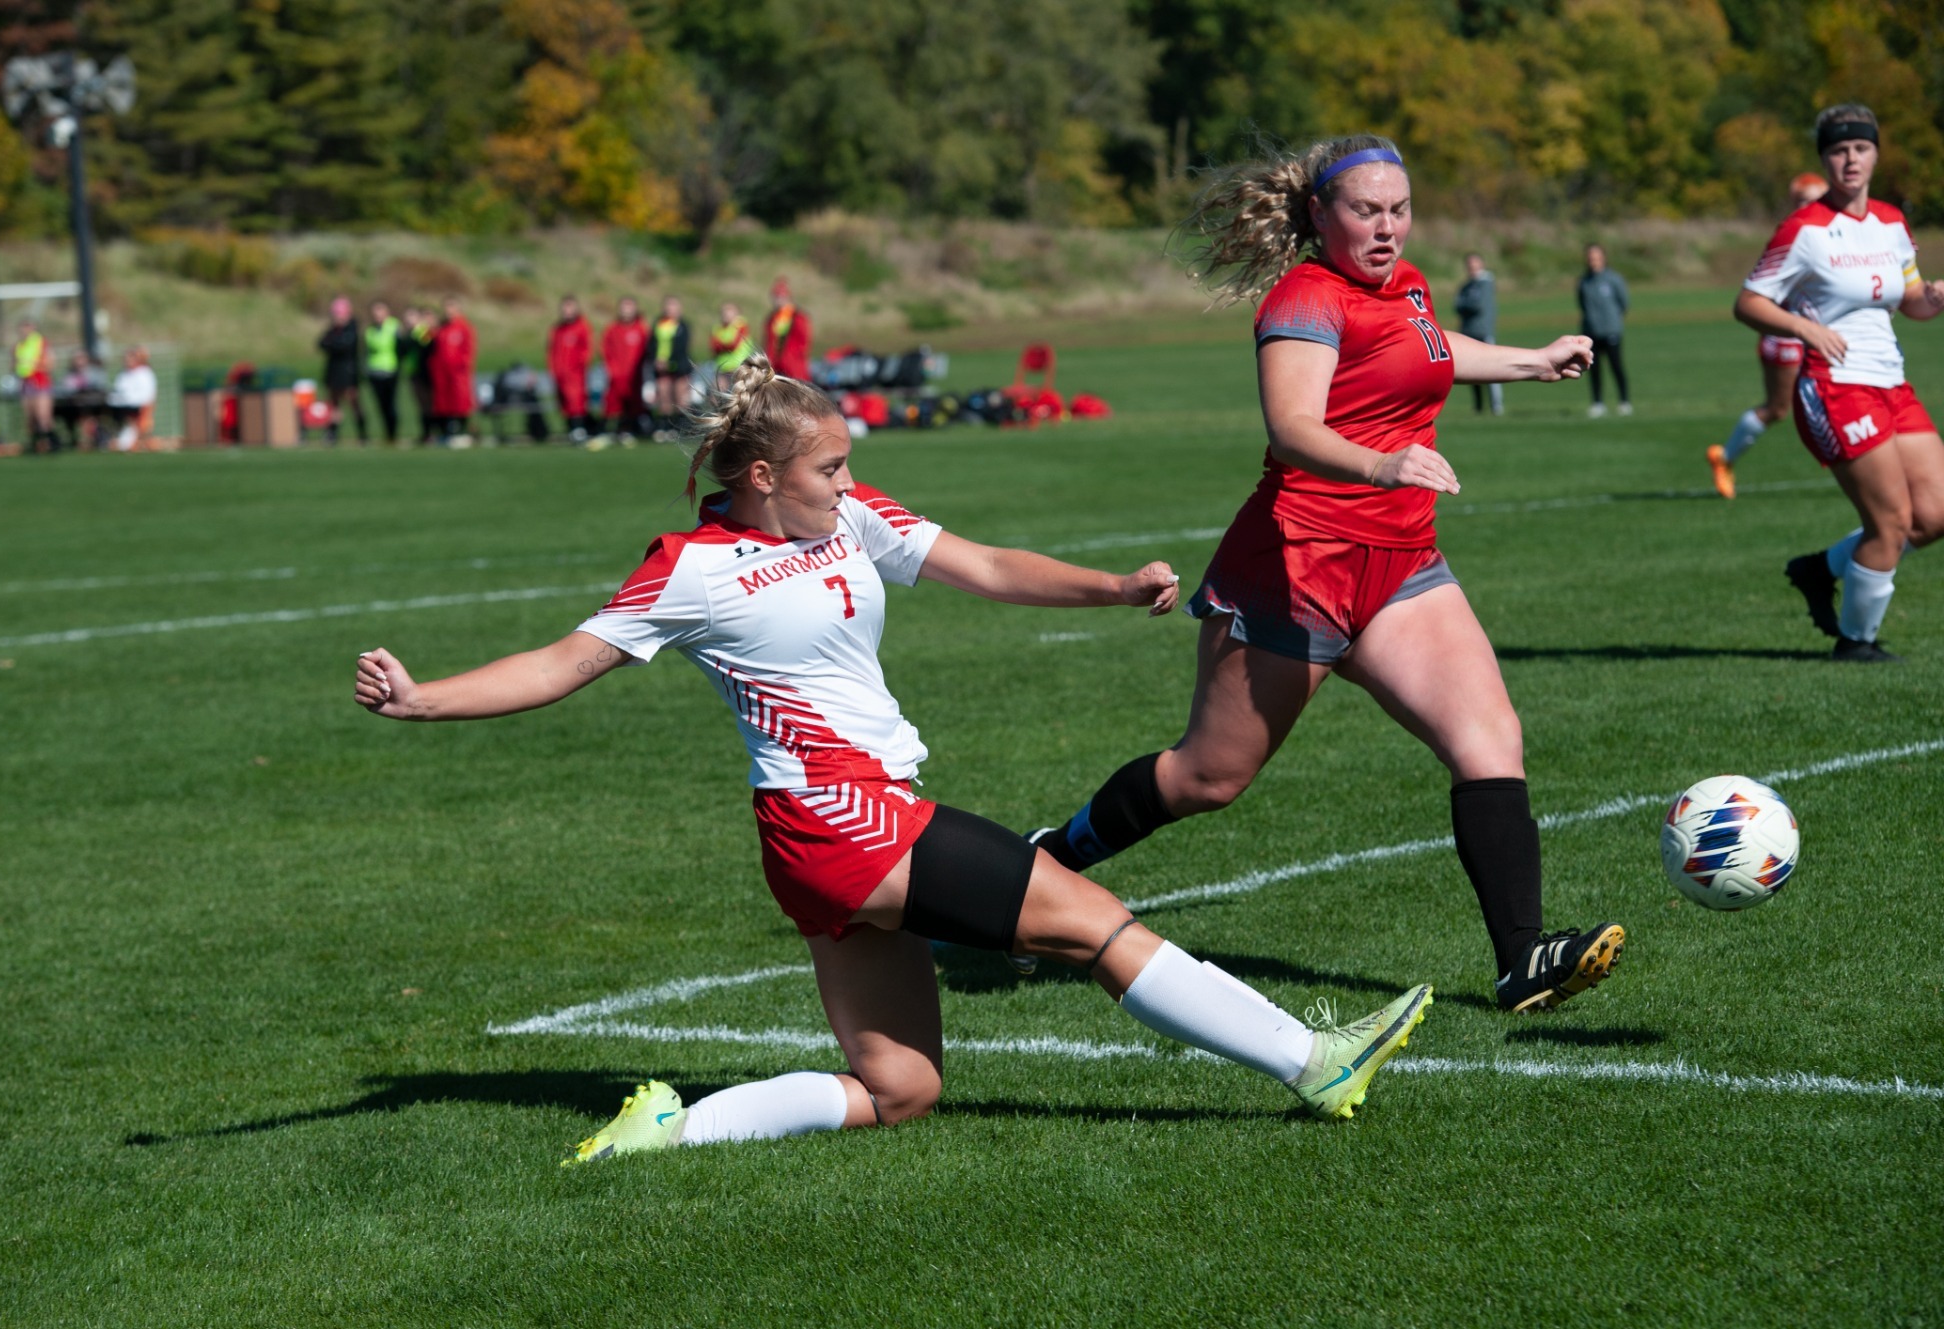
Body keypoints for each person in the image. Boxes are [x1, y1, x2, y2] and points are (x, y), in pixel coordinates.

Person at [352, 353, 1436, 1159]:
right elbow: (560, 662)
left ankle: (670, 1128)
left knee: (900, 1089)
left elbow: (982, 564)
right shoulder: (688, 568)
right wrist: (423, 700)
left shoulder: (847, 518)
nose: (847, 477)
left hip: (830, 833)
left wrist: (1109, 587)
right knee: (1093, 924)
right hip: (841, 820)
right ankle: (1311, 1060)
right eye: (829, 464)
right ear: (766, 473)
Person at [1028, 135, 1625, 1015]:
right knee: (1206, 778)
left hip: (1401, 563)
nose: (1386, 228)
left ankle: (1522, 959)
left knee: (1489, 740)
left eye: (1399, 209)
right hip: (1297, 566)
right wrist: (1384, 466)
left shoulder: (1409, 282)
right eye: (1365, 211)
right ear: (1320, 214)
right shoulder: (1305, 297)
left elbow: (1429, 345)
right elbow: (1292, 426)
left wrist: (1530, 361)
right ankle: (1044, 862)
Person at [1738, 105, 1944, 663]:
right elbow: (1749, 302)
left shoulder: (1892, 222)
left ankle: (1818, 570)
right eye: (1837, 149)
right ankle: (1857, 642)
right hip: (1836, 387)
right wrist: (1804, 326)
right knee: (1891, 522)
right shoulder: (1802, 230)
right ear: (1824, 159)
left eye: (1860, 147)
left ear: (1876, 153)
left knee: (1934, 516)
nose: (1850, 159)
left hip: (1893, 384)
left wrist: (1934, 297)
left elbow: (1910, 298)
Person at [1708, 174, 1831, 499]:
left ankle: (1841, 454)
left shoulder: (1831, 232)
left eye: (1819, 198)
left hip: (1817, 335)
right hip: (1787, 335)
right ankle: (1725, 458)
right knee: (1778, 408)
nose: (1814, 206)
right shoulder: (1792, 236)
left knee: (1834, 395)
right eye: (1806, 200)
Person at [1577, 245, 1631, 417]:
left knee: (1616, 366)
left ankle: (1624, 401)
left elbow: (1624, 303)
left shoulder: (1613, 279)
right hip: (1591, 332)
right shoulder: (1584, 281)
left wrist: (1612, 320)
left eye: (1596, 256)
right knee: (1593, 368)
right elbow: (1581, 303)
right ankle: (1597, 403)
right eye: (1590, 256)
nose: (1593, 260)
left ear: (1603, 257)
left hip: (1611, 331)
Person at [1454, 253, 1502, 416]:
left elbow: (1477, 305)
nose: (1472, 267)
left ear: (1481, 264)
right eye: (1469, 264)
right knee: (1471, 372)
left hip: (1483, 331)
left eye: (1475, 264)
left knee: (1492, 370)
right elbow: (1457, 306)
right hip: (1468, 332)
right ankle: (1479, 406)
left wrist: (1466, 305)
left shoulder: (1486, 283)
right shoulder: (1466, 286)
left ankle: (1496, 406)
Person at [317, 296, 366, 444]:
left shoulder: (352, 328)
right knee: (334, 403)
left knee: (354, 402)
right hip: (334, 371)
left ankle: (363, 433)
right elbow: (322, 343)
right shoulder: (333, 330)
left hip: (348, 371)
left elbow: (343, 346)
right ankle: (332, 433)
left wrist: (333, 345)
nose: (336, 317)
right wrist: (334, 344)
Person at [546, 295, 594, 443]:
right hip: (560, 374)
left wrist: (579, 366)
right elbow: (551, 351)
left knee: (577, 401)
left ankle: (579, 429)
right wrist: (553, 369)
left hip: (575, 373)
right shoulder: (557, 329)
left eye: (570, 307)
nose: (567, 311)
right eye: (564, 307)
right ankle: (571, 429)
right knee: (564, 402)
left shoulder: (582, 327)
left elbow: (587, 350)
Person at [429, 298, 477, 445]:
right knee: (444, 403)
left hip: (457, 372)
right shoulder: (441, 328)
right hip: (442, 373)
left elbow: (468, 350)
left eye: (452, 307)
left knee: (460, 401)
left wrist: (462, 367)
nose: (449, 311)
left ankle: (463, 432)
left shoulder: (464, 327)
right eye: (446, 308)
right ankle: (447, 433)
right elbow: (426, 342)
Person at [601, 296, 649, 441]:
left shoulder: (641, 328)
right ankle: (613, 429)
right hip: (617, 374)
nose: (626, 311)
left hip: (635, 375)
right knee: (614, 403)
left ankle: (633, 428)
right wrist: (611, 368)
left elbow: (647, 350)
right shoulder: (612, 329)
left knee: (635, 402)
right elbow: (605, 350)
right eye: (623, 307)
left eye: (629, 307)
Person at [645, 295, 694, 435]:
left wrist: (670, 361)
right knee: (664, 394)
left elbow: (682, 347)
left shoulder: (682, 326)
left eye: (673, 306)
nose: (670, 309)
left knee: (680, 397)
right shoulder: (658, 324)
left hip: (679, 366)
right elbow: (652, 344)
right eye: (668, 306)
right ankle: (664, 426)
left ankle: (681, 427)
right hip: (661, 367)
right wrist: (655, 359)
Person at [364, 301, 402, 444]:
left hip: (390, 370)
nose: (378, 316)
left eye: (380, 312)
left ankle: (393, 433)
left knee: (391, 404)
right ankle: (386, 433)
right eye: (375, 313)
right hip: (374, 371)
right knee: (381, 405)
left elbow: (401, 347)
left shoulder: (394, 326)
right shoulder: (370, 330)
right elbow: (366, 352)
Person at [13, 319, 54, 452]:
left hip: (40, 382)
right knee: (30, 417)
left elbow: (49, 362)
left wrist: (35, 365)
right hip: (26, 383)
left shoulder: (40, 342)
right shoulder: (19, 345)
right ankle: (35, 444)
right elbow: (15, 364)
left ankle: (47, 443)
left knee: (43, 416)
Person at [54, 350, 109, 450]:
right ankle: (78, 439)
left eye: (81, 359)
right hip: (73, 405)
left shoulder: (95, 372)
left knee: (87, 413)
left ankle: (90, 438)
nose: (79, 362)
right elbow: (63, 389)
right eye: (76, 359)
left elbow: (100, 388)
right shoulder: (69, 374)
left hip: (93, 404)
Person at [106, 346, 157, 451]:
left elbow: (145, 397)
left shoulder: (145, 373)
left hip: (138, 409)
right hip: (123, 408)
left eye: (130, 358)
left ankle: (142, 441)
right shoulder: (123, 374)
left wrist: (126, 398)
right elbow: (118, 390)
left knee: (127, 445)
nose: (127, 361)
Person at [763, 277, 812, 382]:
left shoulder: (798, 317)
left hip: (793, 367)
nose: (778, 299)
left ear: (788, 297)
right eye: (776, 296)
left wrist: (788, 357)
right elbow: (768, 343)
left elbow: (803, 342)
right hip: (775, 367)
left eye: (782, 296)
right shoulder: (771, 319)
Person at [399, 306, 435, 444]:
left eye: (412, 317)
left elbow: (427, 347)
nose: (409, 320)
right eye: (407, 318)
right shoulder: (407, 334)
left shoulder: (422, 332)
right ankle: (425, 433)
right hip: (413, 372)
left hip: (424, 372)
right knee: (420, 404)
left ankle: (431, 432)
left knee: (428, 403)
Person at [711, 301, 753, 393]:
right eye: (724, 311)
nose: (726, 313)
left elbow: (733, 345)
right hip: (722, 367)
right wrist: (723, 346)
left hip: (738, 367)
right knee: (716, 394)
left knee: (739, 395)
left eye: (729, 310)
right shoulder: (718, 328)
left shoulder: (741, 325)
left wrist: (721, 345)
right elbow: (713, 347)